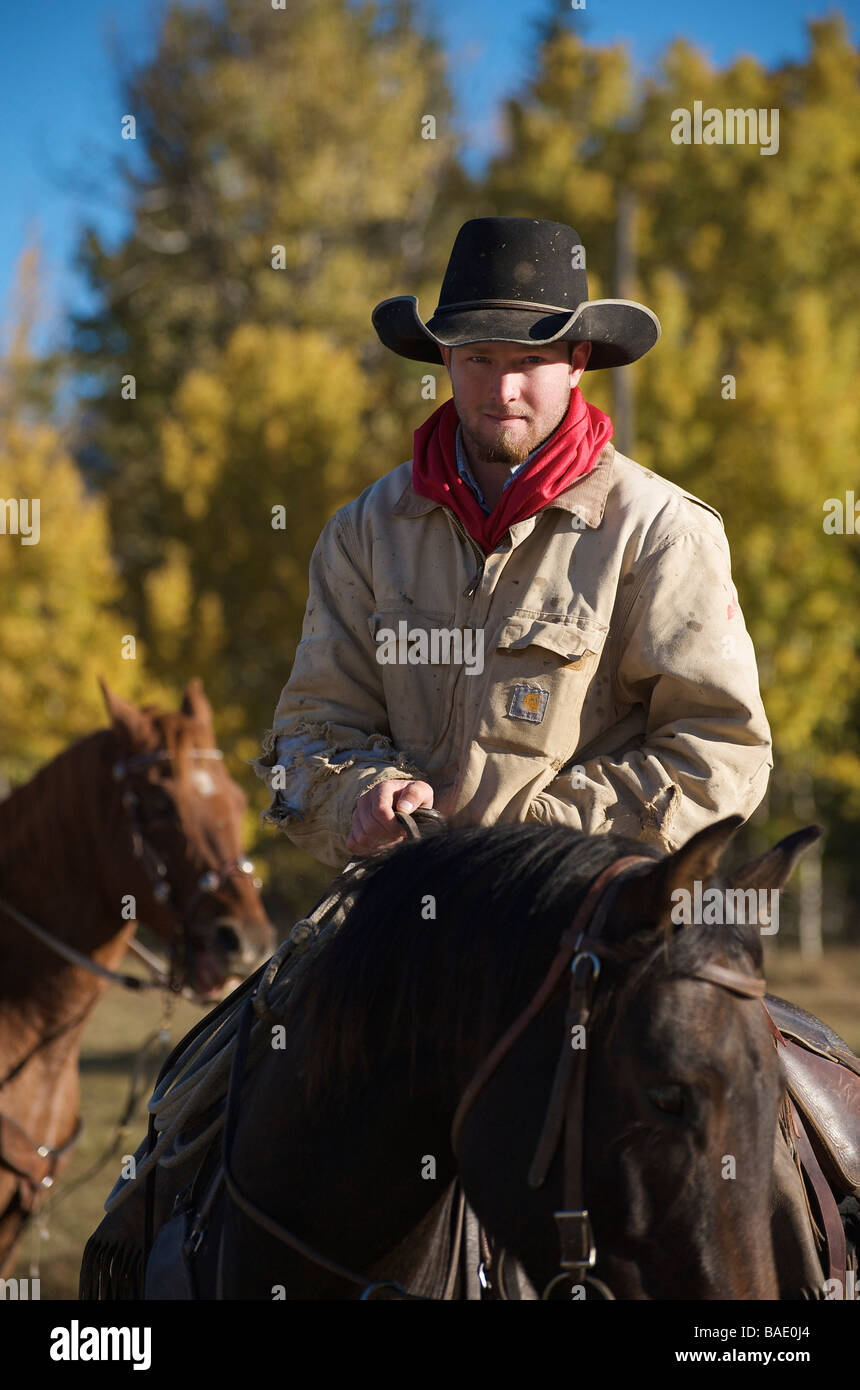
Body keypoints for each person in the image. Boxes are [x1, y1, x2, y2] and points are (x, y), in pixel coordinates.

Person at [253, 217, 772, 867]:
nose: (503, 391)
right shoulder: (364, 532)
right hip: (400, 912)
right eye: (479, 359)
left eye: (530, 360)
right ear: (444, 358)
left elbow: (720, 751)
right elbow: (308, 735)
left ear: (578, 361)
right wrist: (362, 797)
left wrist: (532, 838)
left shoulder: (661, 532)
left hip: (585, 926)